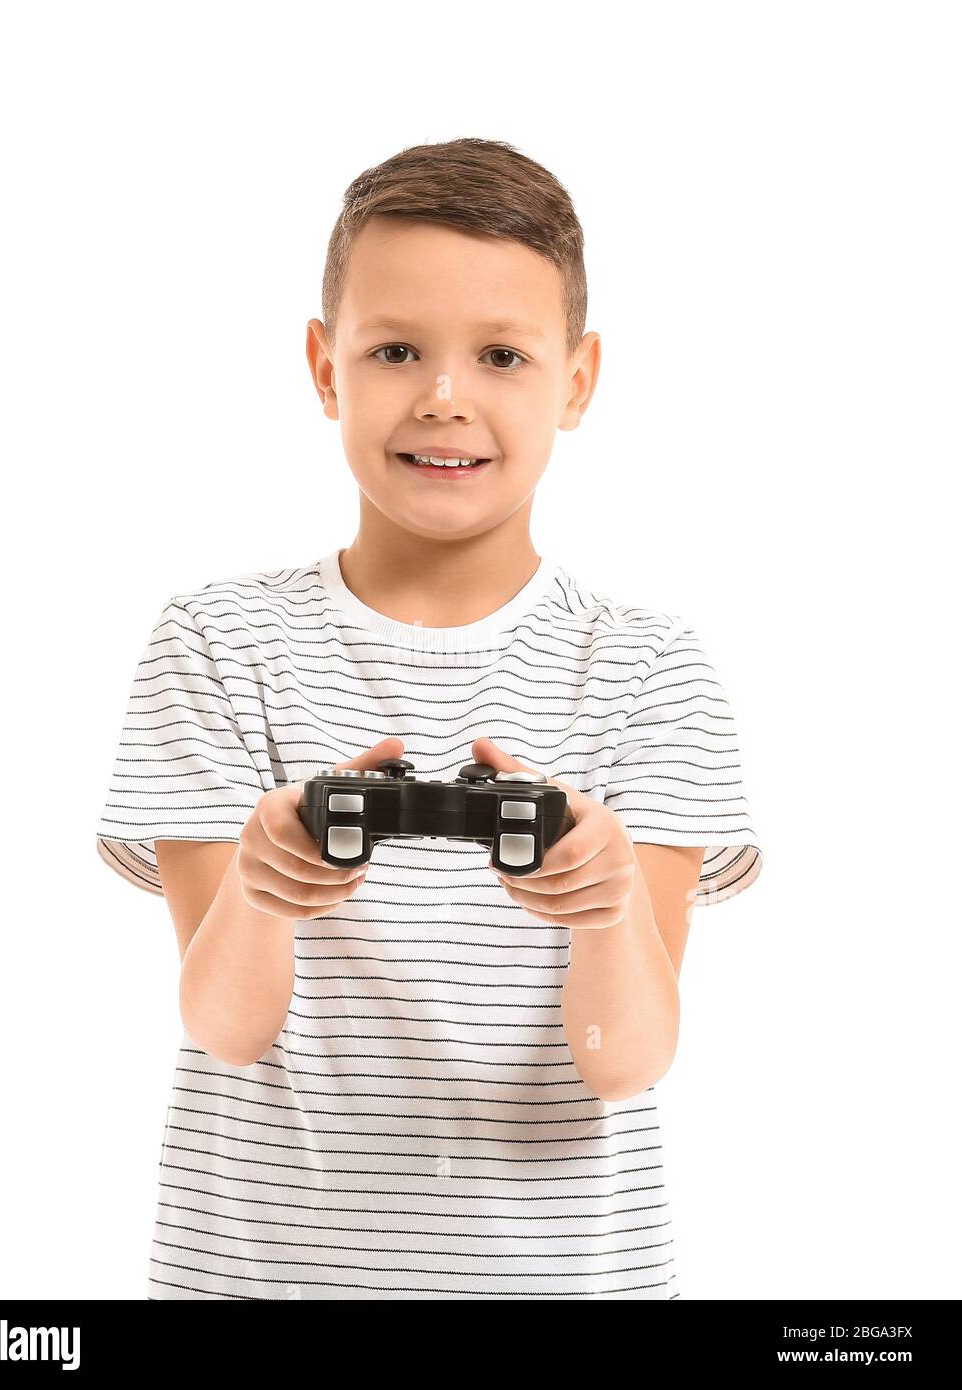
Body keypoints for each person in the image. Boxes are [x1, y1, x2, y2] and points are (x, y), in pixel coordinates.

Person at [97, 136, 764, 1300]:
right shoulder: (215, 641)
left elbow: (629, 1061)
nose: (444, 397)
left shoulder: (650, 666)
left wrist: (607, 913)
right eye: (395, 349)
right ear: (323, 367)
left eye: (501, 354)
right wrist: (260, 886)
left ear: (576, 379)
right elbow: (226, 1027)